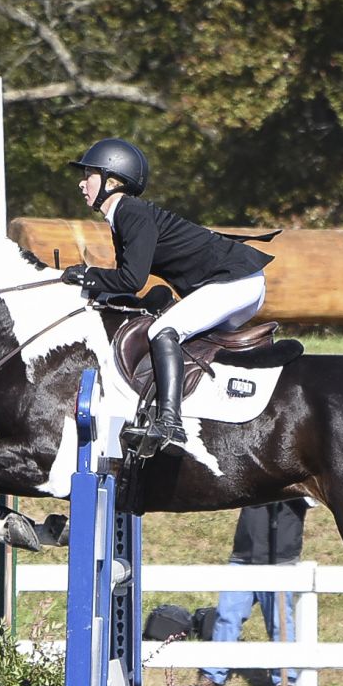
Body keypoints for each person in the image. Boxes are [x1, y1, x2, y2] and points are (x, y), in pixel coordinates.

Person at [61, 138, 274, 457]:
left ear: (112, 180)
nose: (82, 183)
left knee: (162, 331)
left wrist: (86, 275)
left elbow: (131, 280)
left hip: (236, 281)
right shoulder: (124, 215)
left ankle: (170, 422)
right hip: (236, 282)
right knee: (182, 333)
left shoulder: (130, 212)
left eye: (89, 174)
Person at [188, 498, 310, 686]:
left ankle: (285, 680)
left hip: (279, 559)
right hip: (243, 556)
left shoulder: (297, 476)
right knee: (226, 617)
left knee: (279, 623)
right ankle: (213, 675)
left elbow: (311, 498)